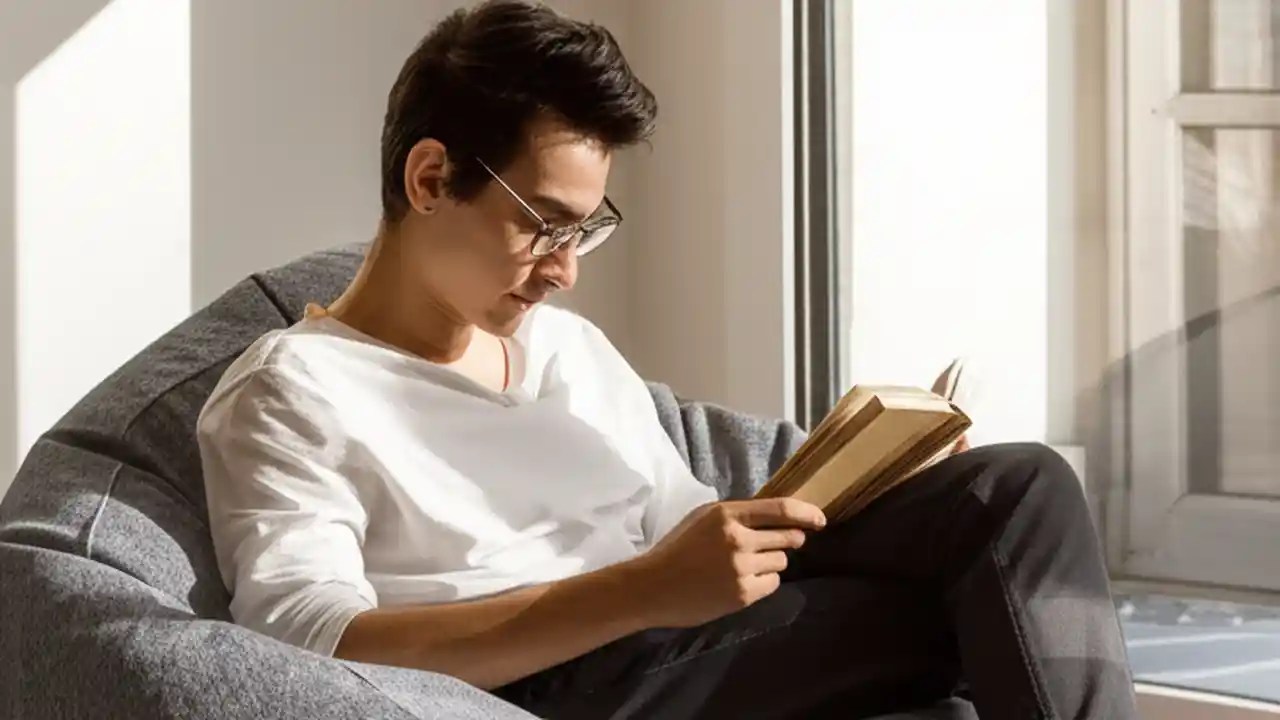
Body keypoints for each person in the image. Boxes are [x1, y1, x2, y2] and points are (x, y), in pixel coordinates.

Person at [196, 1, 1138, 717]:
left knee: (1014, 490)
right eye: (543, 227)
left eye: (589, 229)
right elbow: (306, 647)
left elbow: (686, 529)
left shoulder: (565, 348)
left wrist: (852, 488)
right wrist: (645, 590)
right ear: (430, 178)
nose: (565, 272)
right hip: (567, 674)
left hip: (685, 620)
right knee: (974, 621)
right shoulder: (293, 389)